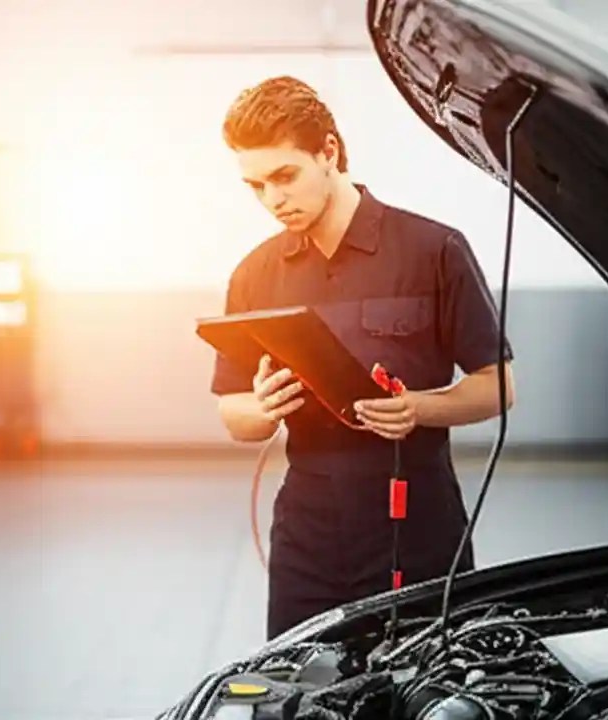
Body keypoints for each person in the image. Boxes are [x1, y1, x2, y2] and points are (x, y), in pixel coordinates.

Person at [210, 75, 516, 640]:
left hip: (418, 523)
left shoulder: (433, 251)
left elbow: (498, 386)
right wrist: (264, 407)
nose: (273, 200)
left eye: (284, 176)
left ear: (329, 152)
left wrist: (419, 408)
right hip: (307, 529)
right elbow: (234, 414)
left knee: (424, 686)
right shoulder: (255, 274)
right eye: (255, 186)